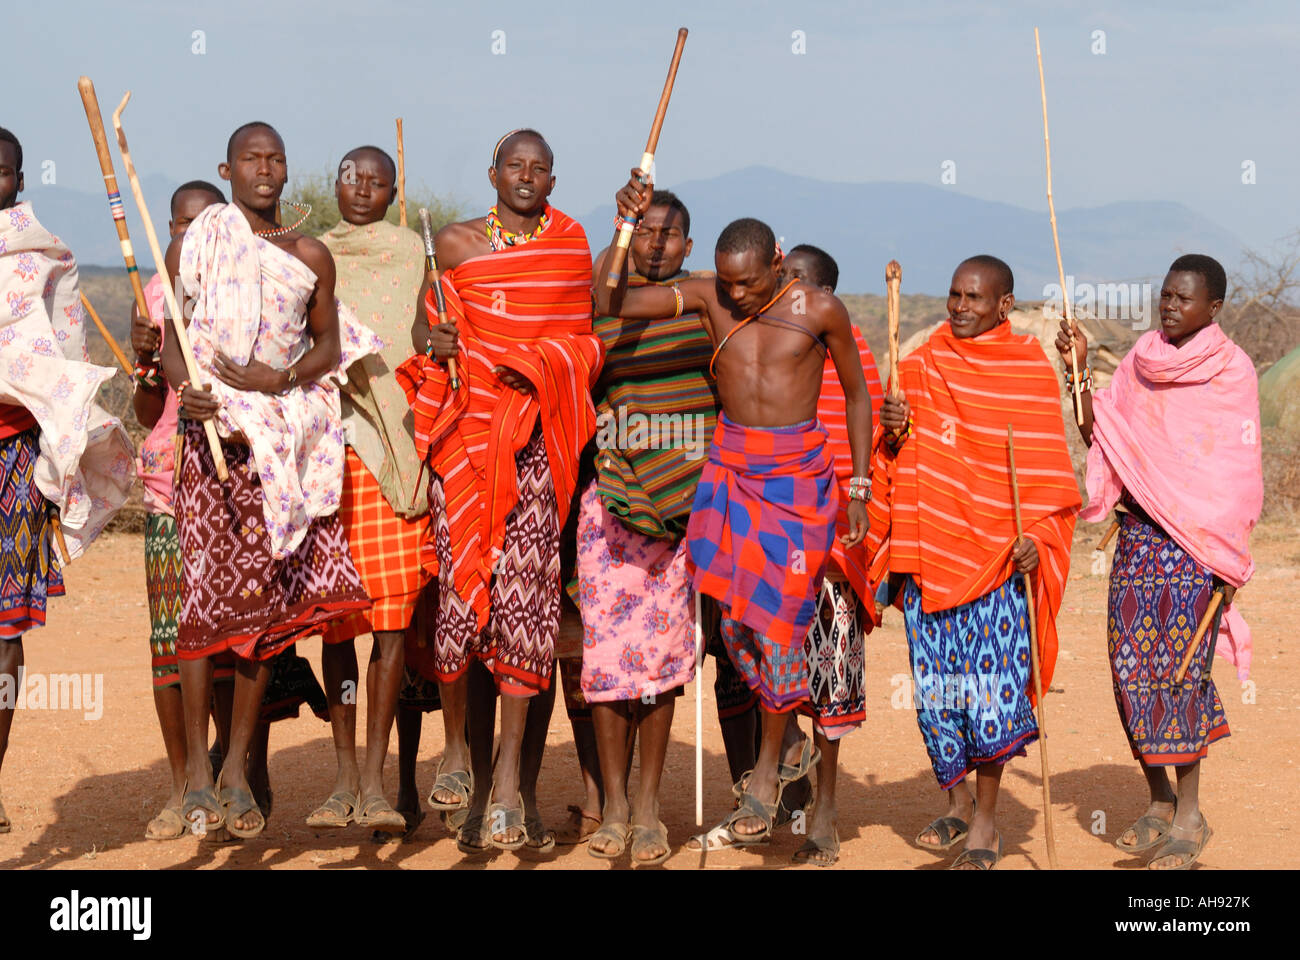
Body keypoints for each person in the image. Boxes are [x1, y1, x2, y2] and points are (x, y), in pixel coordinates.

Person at [595, 174, 874, 850]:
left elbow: (859, 396)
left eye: (749, 283)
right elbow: (608, 298)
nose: (737, 295)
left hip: (798, 481)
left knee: (779, 624)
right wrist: (624, 227)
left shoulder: (821, 310)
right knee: (735, 628)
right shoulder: (707, 296)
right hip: (729, 474)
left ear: (776, 265)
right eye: (727, 283)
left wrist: (859, 485)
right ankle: (790, 735)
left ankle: (764, 774)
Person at [160, 121, 380, 840]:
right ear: (226, 169)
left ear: (287, 171)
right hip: (209, 450)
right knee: (201, 604)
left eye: (276, 157)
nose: (266, 168)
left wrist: (276, 380)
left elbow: (328, 347)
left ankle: (236, 769)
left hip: (276, 454)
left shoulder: (307, 254)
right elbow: (172, 343)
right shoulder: (195, 244)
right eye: (252, 158)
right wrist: (189, 390)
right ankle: (196, 769)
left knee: (259, 612)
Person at [399, 129, 601, 851]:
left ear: (552, 177)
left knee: (527, 611)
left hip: (541, 449)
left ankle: (511, 786)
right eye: (514, 165)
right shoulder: (453, 244)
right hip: (468, 447)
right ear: (492, 173)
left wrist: (541, 362)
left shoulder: (571, 246)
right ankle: (466, 765)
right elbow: (425, 330)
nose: (525, 176)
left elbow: (587, 338)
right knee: (462, 599)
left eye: (539, 167)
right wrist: (434, 344)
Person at [873, 255, 1079, 869]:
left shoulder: (1027, 372)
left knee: (989, 697)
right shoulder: (920, 366)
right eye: (953, 296)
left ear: (1004, 306)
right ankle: (958, 801)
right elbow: (892, 456)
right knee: (938, 702)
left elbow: (1050, 484)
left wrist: (1035, 542)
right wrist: (892, 428)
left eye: (973, 298)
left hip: (993, 563)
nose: (959, 307)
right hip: (929, 558)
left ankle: (986, 821)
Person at [1057, 254, 1260, 870]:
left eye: (1183, 298)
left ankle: (1190, 816)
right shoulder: (1143, 361)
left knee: (1179, 675)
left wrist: (1227, 562)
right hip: (1140, 543)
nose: (1169, 306)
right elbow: (1104, 438)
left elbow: (1235, 476)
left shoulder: (1232, 372)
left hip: (1195, 553)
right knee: (1129, 673)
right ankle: (1157, 798)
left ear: (1214, 308)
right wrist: (1080, 371)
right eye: (1165, 295)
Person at [577, 189, 719, 865]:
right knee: (608, 661)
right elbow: (607, 299)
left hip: (685, 507)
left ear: (689, 247)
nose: (656, 244)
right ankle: (614, 806)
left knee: (661, 664)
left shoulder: (703, 300)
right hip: (612, 500)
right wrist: (620, 223)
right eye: (646, 232)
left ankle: (653, 812)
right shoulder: (603, 302)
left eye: (670, 235)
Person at [0, 127, 133, 834]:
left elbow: (65, 358)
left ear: (19, 180)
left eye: (0, 172)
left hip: (14, 457)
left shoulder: (42, 261)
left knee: (3, 626)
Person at [310, 145, 431, 835]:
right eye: (350, 176)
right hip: (329, 455)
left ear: (391, 190)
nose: (361, 188)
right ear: (335, 184)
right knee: (337, 624)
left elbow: (416, 341)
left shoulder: (413, 255)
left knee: (389, 624)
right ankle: (344, 776)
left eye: (374, 179)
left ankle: (380, 782)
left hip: (396, 454)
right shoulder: (310, 255)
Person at [130, 179, 228, 839]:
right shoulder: (154, 303)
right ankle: (181, 786)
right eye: (177, 226)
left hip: (230, 492)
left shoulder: (243, 299)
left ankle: (229, 776)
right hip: (168, 493)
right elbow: (145, 415)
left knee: (227, 645)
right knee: (170, 644)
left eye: (201, 225)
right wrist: (144, 359)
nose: (188, 238)